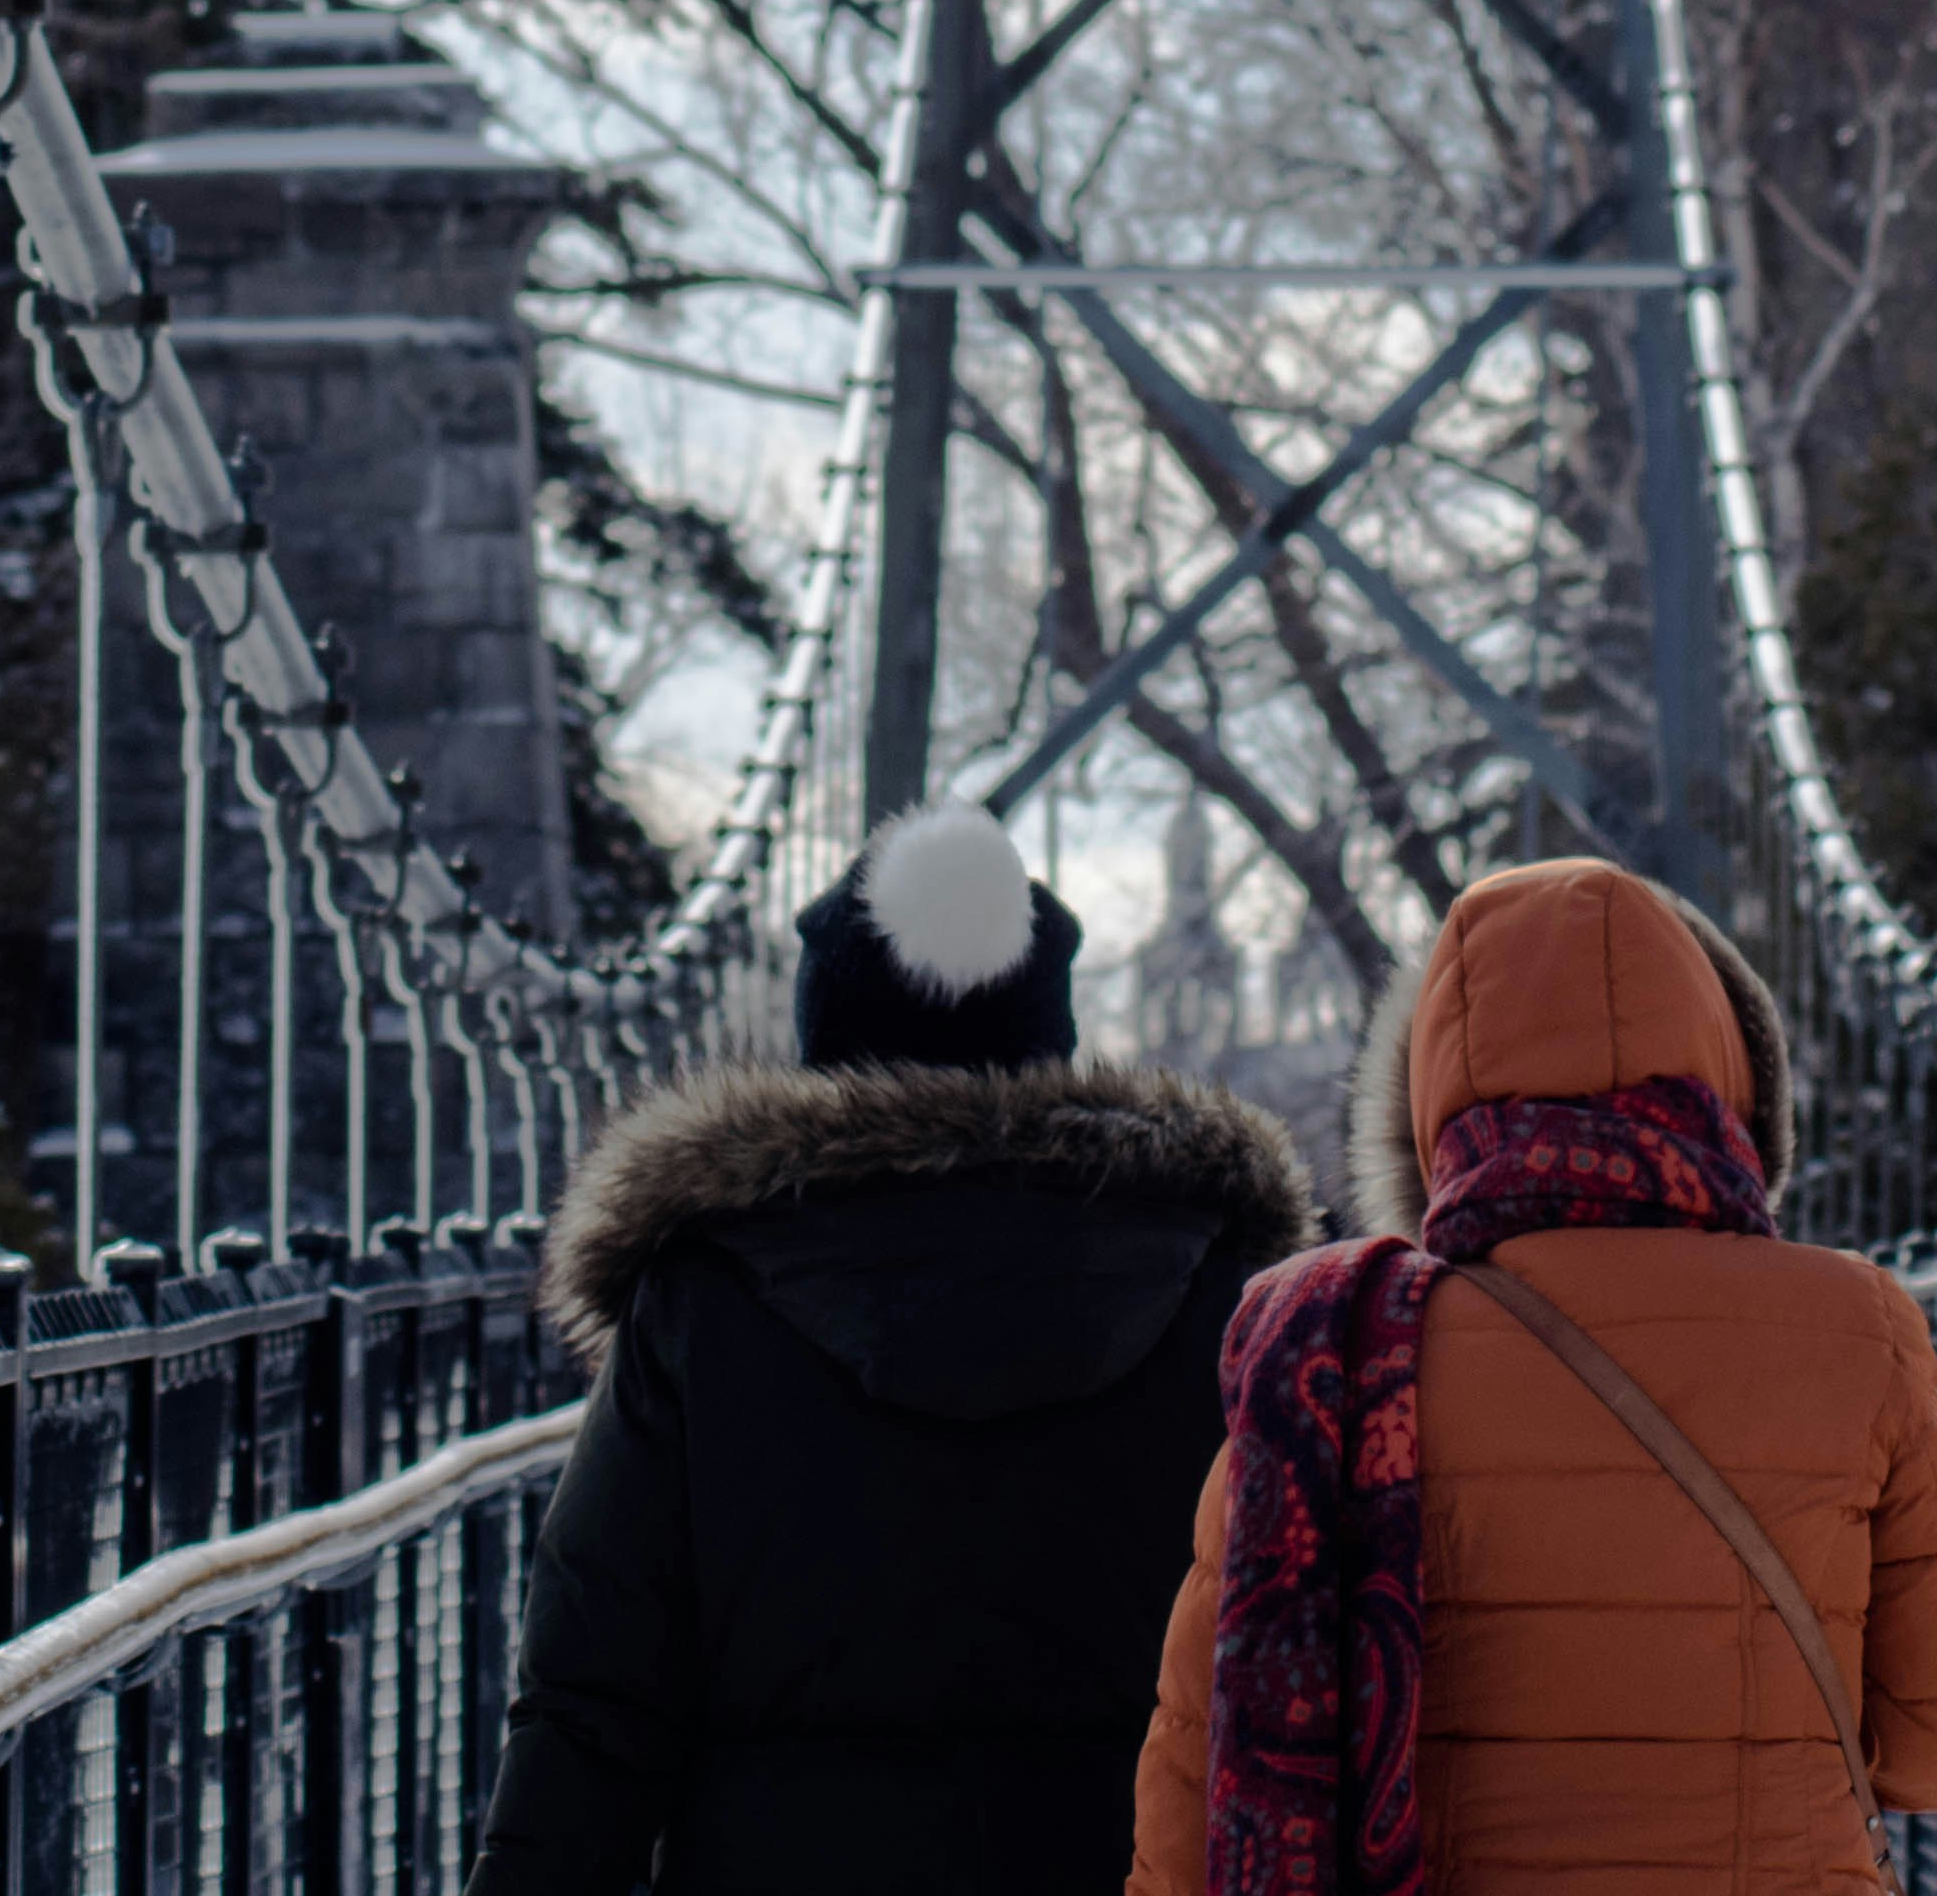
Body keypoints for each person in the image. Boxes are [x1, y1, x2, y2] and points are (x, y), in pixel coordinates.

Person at [1123, 857, 1937, 1894]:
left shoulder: (1325, 1359)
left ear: (1427, 1104)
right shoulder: (1855, 1327)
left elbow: (1196, 1798)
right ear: (1728, 1077)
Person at [472, 801, 1317, 1896]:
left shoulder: (704, 1297)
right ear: (1045, 1033)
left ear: (827, 1037)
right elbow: (1285, 1673)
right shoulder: (1220, 1299)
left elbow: (593, 1699)